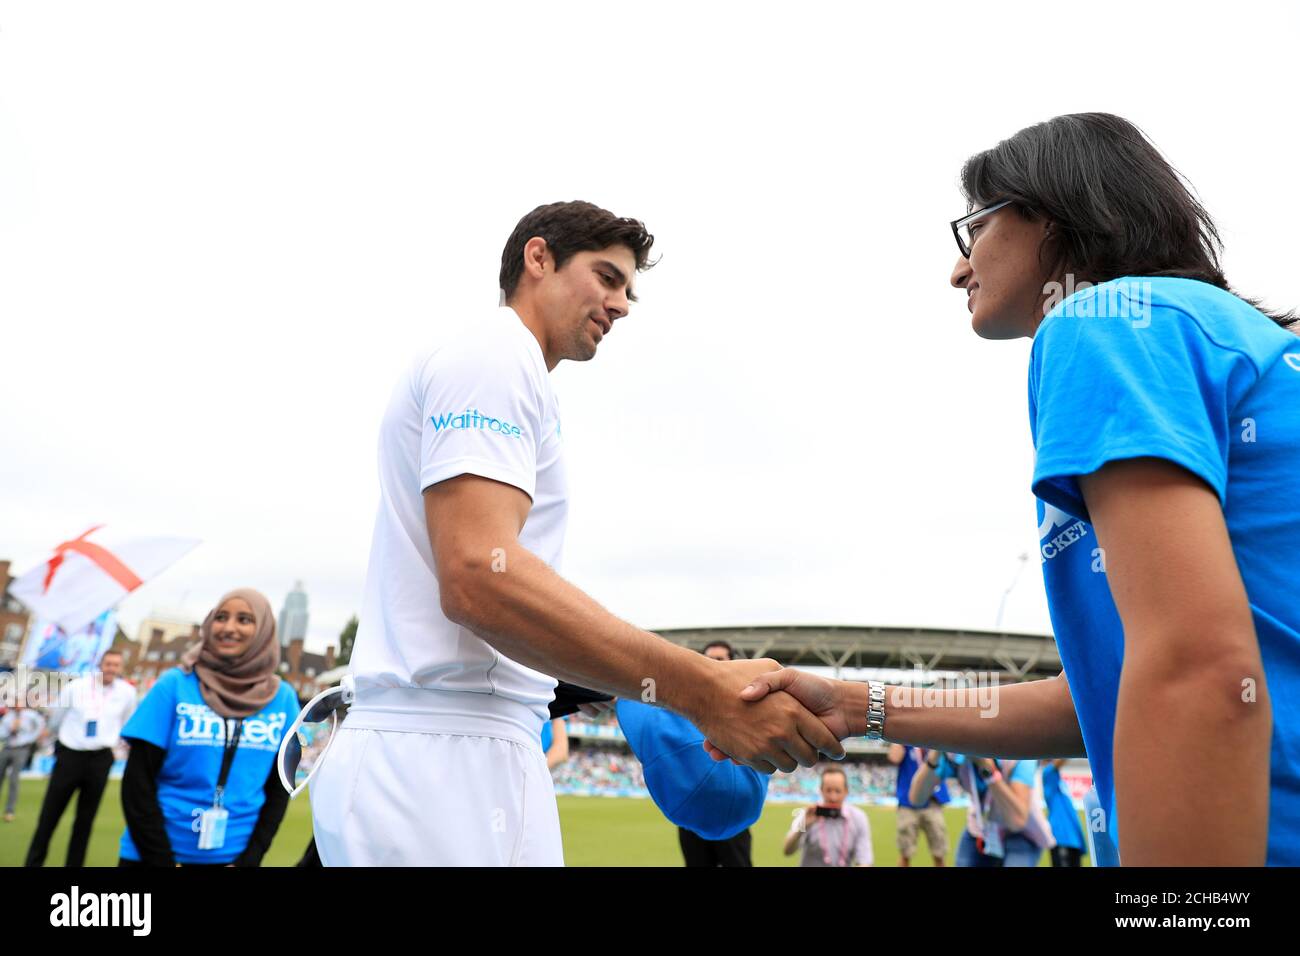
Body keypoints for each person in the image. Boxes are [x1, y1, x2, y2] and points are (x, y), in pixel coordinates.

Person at [712, 113, 1300, 866]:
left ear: (1049, 217)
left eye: (973, 230)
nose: (959, 270)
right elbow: (1087, 699)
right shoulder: (1209, 335)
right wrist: (861, 704)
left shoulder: (1100, 322)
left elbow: (1198, 666)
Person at [309, 200, 844, 866]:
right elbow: (480, 578)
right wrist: (696, 687)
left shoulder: (519, 374)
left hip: (483, 740)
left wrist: (674, 683)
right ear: (539, 258)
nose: (622, 304)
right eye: (608, 277)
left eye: (630, 290)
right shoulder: (493, 352)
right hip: (440, 751)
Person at [117, 589, 298, 866]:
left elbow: (279, 788)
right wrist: (162, 861)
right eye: (221, 617)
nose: (229, 628)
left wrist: (249, 860)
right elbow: (137, 783)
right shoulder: (175, 685)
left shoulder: (283, 698)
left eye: (244, 620)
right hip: (152, 856)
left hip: (232, 859)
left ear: (263, 630)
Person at [25, 649, 137, 866]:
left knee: (85, 821)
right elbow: (56, 720)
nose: (111, 669)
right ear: (100, 664)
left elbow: (126, 724)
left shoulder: (127, 693)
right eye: (108, 664)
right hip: (70, 755)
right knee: (49, 816)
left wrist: (116, 750)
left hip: (101, 759)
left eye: (116, 665)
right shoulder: (76, 687)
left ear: (121, 667)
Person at [677, 641, 753, 867]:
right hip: (693, 811)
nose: (714, 664)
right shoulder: (685, 704)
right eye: (709, 658)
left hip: (732, 810)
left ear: (732, 662)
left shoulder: (749, 703)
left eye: (720, 659)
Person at [909, 751, 1047, 867]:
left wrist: (989, 771)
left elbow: (1017, 821)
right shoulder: (957, 756)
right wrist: (936, 753)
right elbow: (916, 798)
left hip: (1021, 834)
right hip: (981, 829)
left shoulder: (1018, 754)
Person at [782, 766, 872, 867]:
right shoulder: (808, 814)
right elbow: (787, 850)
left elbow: (864, 860)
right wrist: (803, 827)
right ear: (821, 790)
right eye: (828, 790)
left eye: (838, 791)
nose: (833, 797)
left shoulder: (859, 817)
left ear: (846, 791)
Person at [888, 743, 948, 866]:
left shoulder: (934, 737)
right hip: (907, 802)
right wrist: (901, 735)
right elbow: (894, 757)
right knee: (905, 854)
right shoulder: (906, 741)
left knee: (939, 853)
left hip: (932, 800)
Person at [1, 700, 46, 822]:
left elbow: (41, 726)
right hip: (7, 747)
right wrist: (10, 730)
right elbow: (1, 733)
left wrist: (31, 739)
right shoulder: (8, 717)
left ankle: (9, 811)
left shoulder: (31, 716)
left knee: (13, 779)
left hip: (22, 749)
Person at [1043, 758, 1087, 867]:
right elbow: (1060, 760)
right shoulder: (1047, 773)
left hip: (1073, 840)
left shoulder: (1061, 783)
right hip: (1061, 838)